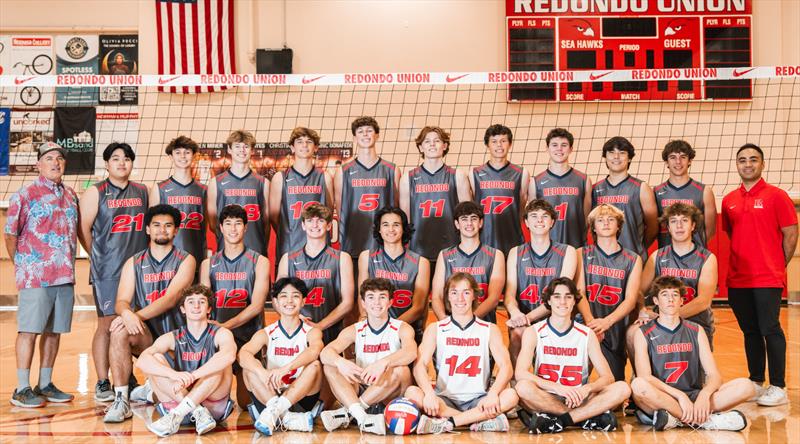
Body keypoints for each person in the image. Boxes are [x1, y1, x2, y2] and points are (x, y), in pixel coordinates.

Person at [103, 204, 196, 423]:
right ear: (147, 229)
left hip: (179, 341)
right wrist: (126, 314)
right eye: (156, 225)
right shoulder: (134, 262)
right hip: (147, 337)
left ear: (175, 231)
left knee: (179, 394)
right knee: (119, 330)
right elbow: (122, 301)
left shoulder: (186, 260)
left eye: (168, 226)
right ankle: (121, 399)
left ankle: (149, 390)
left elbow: (171, 299)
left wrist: (135, 316)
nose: (162, 230)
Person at [722, 143, 798, 406]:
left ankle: (778, 386)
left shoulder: (777, 196)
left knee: (770, 328)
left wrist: (777, 264)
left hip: (767, 278)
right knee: (750, 331)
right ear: (737, 165)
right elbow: (733, 234)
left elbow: (790, 234)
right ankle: (756, 382)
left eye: (753, 159)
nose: (748, 164)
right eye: (742, 160)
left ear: (762, 164)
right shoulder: (729, 200)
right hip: (738, 279)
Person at [5, 142, 78, 407]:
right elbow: (10, 234)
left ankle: (44, 383)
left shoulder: (71, 195)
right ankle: (22, 388)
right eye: (49, 158)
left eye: (59, 158)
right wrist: (24, 265)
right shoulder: (25, 194)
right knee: (29, 330)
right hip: (36, 276)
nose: (55, 162)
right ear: (39, 164)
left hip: (65, 276)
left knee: (54, 332)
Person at [631, 276, 754, 431]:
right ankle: (704, 421)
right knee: (638, 385)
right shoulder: (644, 333)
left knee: (747, 386)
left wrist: (704, 394)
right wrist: (680, 396)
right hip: (664, 397)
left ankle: (676, 419)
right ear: (655, 301)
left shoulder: (696, 330)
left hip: (695, 397)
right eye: (665, 294)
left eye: (675, 294)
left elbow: (714, 375)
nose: (670, 299)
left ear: (682, 301)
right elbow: (645, 377)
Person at [79, 142, 149, 402]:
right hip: (107, 270)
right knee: (107, 325)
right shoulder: (96, 192)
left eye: (127, 158)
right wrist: (98, 255)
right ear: (107, 164)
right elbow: (83, 229)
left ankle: (125, 375)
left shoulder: (143, 191)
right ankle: (101, 381)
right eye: (116, 158)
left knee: (132, 324)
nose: (122, 163)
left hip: (139, 271)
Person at [405, 273, 518, 434]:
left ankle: (448, 423)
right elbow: (419, 366)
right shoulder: (436, 329)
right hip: (445, 400)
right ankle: (477, 421)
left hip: (479, 400)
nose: (460, 298)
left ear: (474, 296)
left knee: (511, 395)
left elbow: (506, 367)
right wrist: (429, 394)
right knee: (412, 393)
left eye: (466, 292)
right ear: (448, 297)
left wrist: (493, 394)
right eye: (454, 293)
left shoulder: (489, 329)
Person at [515, 277, 630, 434]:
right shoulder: (533, 331)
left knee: (623, 388)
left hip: (579, 398)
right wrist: (558, 388)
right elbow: (520, 373)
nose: (563, 302)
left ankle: (559, 421)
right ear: (548, 300)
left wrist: (587, 389)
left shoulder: (587, 334)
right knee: (522, 387)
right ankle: (587, 419)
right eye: (557, 296)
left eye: (568, 296)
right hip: (546, 397)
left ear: (574, 301)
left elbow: (608, 377)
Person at [319, 278, 417, 435]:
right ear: (363, 303)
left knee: (401, 370)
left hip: (389, 393)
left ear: (390, 302)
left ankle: (349, 414)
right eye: (371, 297)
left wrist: (383, 363)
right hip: (362, 387)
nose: (376, 302)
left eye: (382, 297)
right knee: (331, 366)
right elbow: (325, 353)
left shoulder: (402, 328)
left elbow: (411, 352)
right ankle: (362, 417)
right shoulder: (354, 330)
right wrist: (340, 361)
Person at [136, 285, 237, 437]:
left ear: (209, 309)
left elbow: (229, 356)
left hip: (212, 407)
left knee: (221, 363)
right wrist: (172, 374)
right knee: (155, 359)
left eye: (202, 302)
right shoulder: (173, 336)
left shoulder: (221, 333)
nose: (196, 306)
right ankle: (195, 410)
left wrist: (193, 376)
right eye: (190, 302)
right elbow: (142, 361)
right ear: (183, 309)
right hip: (183, 400)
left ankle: (176, 414)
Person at [200, 204, 269, 409]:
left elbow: (257, 306)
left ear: (245, 227)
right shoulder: (208, 264)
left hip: (249, 335)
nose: (233, 229)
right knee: (213, 400)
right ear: (220, 228)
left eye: (238, 224)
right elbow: (203, 302)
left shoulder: (259, 261)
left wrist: (224, 325)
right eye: (228, 224)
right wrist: (216, 329)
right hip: (219, 337)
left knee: (247, 403)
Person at [238, 277, 324, 436]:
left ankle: (275, 412)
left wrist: (286, 368)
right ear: (276, 302)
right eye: (284, 296)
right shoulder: (266, 333)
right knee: (249, 369)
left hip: (300, 398)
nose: (289, 300)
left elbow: (315, 351)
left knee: (315, 366)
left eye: (296, 296)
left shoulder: (312, 331)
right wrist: (261, 372)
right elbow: (243, 354)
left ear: (303, 301)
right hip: (270, 394)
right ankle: (286, 417)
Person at [504, 199, 577, 364]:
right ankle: (515, 383)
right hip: (523, 317)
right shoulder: (515, 252)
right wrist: (515, 314)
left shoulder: (568, 252)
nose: (539, 220)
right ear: (526, 222)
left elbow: (561, 298)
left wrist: (526, 318)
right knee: (517, 333)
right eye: (534, 216)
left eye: (545, 216)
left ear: (552, 222)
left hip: (556, 320)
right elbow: (509, 295)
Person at [576, 204, 642, 382]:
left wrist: (607, 322)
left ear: (619, 226)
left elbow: (630, 300)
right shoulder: (581, 253)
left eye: (611, 219)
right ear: (593, 227)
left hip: (615, 325)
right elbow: (579, 291)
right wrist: (591, 323)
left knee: (615, 386)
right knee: (578, 380)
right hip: (586, 322)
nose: (605, 223)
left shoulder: (633, 259)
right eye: (600, 220)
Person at [638, 203, 717, 346]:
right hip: (661, 325)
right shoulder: (657, 257)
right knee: (634, 336)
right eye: (674, 221)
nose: (679, 226)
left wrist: (669, 316)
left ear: (693, 226)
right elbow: (638, 291)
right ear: (668, 228)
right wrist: (642, 310)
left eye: (684, 220)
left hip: (696, 324)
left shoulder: (707, 258)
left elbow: (703, 301)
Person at [277, 203, 354, 345]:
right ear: (303, 225)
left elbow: (348, 303)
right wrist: (296, 317)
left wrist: (320, 326)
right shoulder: (288, 259)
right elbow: (276, 298)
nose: (315, 225)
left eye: (320, 220)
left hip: (331, 330)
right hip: (295, 329)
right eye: (310, 220)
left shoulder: (342, 258)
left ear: (329, 226)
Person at [400, 126, 472, 274]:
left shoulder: (457, 175)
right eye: (427, 141)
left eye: (437, 141)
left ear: (444, 146)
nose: (432, 144)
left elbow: (468, 216)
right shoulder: (408, 178)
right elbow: (404, 218)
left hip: (452, 248)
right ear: (420, 147)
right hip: (418, 249)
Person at [334, 117, 400, 272]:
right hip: (353, 243)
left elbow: (396, 207)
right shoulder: (343, 172)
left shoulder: (392, 170)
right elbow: (340, 208)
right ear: (354, 138)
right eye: (360, 131)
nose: (365, 134)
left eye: (369, 130)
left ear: (377, 135)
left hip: (384, 244)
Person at [358, 206, 430, 343]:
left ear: (404, 229)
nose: (391, 229)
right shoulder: (366, 257)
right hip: (374, 331)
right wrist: (371, 325)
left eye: (396, 225)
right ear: (379, 229)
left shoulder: (421, 262)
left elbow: (418, 307)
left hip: (407, 331)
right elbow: (361, 298)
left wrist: (390, 328)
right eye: (385, 225)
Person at [431, 201, 505, 324]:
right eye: (464, 219)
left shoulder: (496, 255)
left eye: (474, 219)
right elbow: (436, 296)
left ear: (480, 223)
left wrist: (469, 322)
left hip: (483, 324)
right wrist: (444, 320)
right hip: (451, 324)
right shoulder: (444, 255)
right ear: (457, 224)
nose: (469, 223)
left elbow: (493, 299)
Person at [269, 127, 334, 262]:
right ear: (292, 147)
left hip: (320, 247)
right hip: (289, 246)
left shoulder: (324, 177)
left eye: (309, 141)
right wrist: (290, 231)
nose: (304, 145)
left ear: (315, 148)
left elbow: (329, 211)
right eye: (299, 141)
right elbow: (274, 218)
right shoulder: (280, 178)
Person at [591, 136, 658, 259]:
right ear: (605, 158)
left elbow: (653, 227)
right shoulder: (595, 189)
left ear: (629, 158)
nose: (616, 157)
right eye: (611, 152)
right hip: (602, 259)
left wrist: (639, 245)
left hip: (633, 256)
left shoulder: (641, 188)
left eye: (622, 153)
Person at [207, 130, 270, 256]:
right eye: (237, 146)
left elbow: (266, 223)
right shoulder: (216, 182)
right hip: (225, 251)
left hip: (256, 249)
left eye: (246, 146)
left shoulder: (263, 182)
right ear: (229, 150)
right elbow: (213, 223)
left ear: (252, 151)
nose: (242, 150)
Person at [150, 135, 207, 276]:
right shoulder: (159, 189)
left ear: (194, 156)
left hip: (196, 257)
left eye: (187, 152)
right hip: (166, 261)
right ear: (171, 157)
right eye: (178, 152)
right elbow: (151, 229)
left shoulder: (204, 190)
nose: (183, 156)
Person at [470, 124, 529, 255]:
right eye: (494, 141)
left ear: (510, 144)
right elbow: (473, 204)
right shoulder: (475, 173)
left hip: (511, 236)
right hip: (484, 237)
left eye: (503, 141)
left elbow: (522, 203)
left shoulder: (521, 173)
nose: (499, 145)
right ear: (487, 145)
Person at [532, 128, 592, 248]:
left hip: (576, 245)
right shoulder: (536, 181)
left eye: (564, 145)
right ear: (547, 148)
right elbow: (533, 219)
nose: (559, 149)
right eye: (554, 145)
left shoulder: (583, 180)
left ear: (571, 149)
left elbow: (586, 218)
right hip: (546, 248)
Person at [653, 140, 716, 248]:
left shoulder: (704, 191)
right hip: (667, 257)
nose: (678, 162)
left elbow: (710, 230)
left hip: (695, 258)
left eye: (683, 157)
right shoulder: (656, 192)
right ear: (667, 162)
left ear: (690, 161)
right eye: (673, 157)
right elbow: (652, 228)